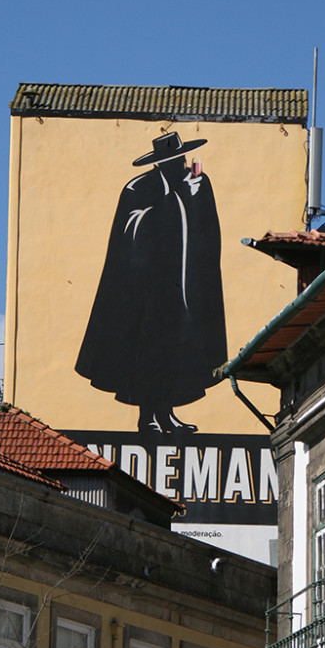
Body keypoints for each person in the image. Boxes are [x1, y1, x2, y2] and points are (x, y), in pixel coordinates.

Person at [76, 131, 227, 437]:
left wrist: (197, 195)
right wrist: (173, 202)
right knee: (148, 355)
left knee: (175, 352)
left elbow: (207, 234)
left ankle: (166, 413)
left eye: (183, 159)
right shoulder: (138, 188)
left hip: (182, 289)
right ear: (161, 164)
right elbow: (131, 232)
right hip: (143, 294)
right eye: (176, 161)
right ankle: (148, 418)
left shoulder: (193, 184)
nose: (183, 165)